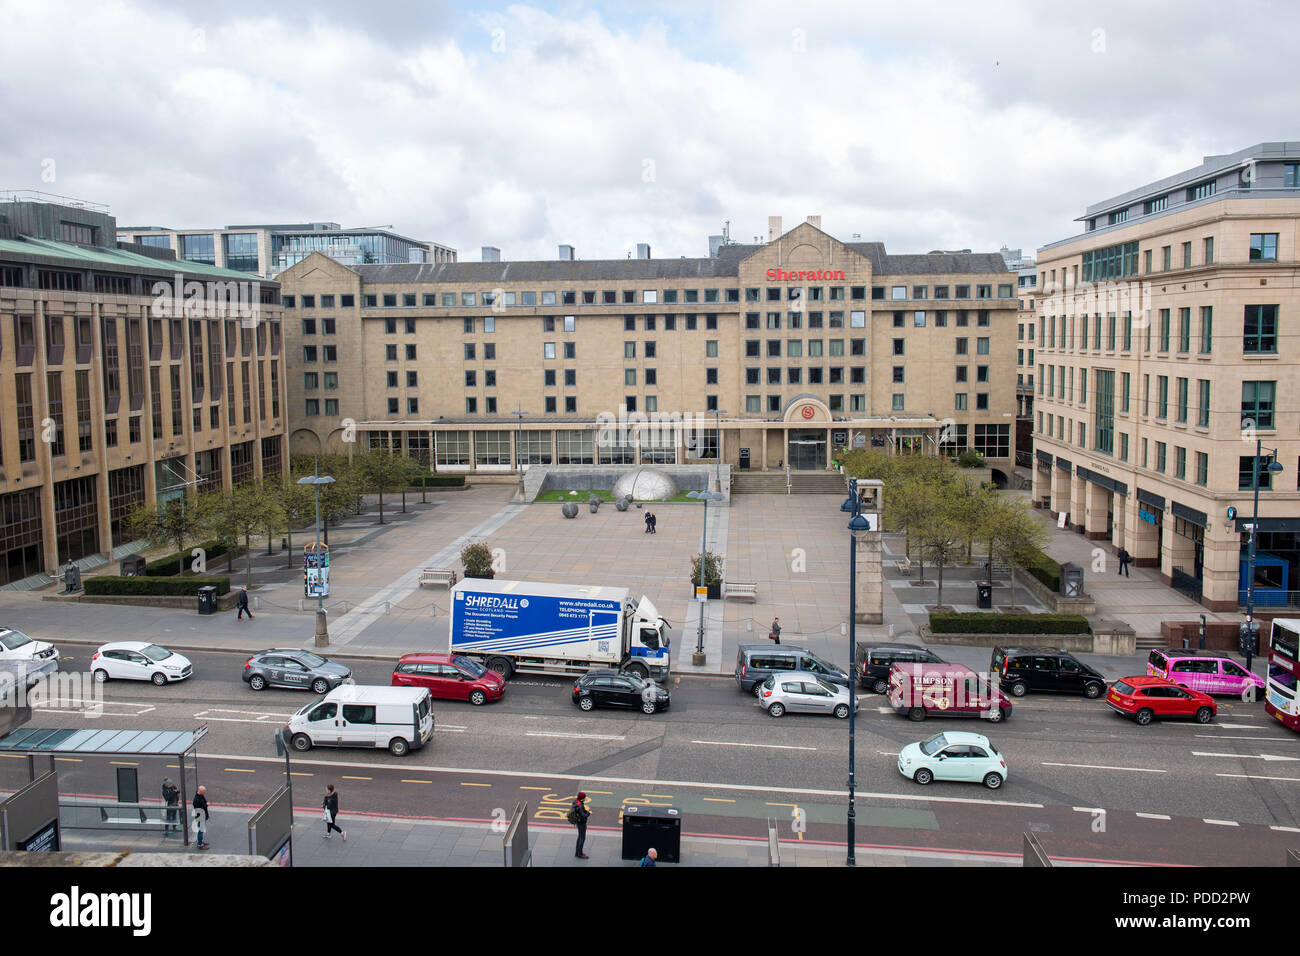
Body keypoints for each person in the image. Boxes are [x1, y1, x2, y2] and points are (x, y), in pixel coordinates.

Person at [571, 791, 590, 859]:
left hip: (578, 822)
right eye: (584, 797)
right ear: (583, 798)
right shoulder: (580, 806)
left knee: (579, 837)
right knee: (582, 838)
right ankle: (580, 854)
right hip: (582, 823)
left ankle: (577, 852)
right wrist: (588, 813)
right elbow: (583, 816)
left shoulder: (576, 802)